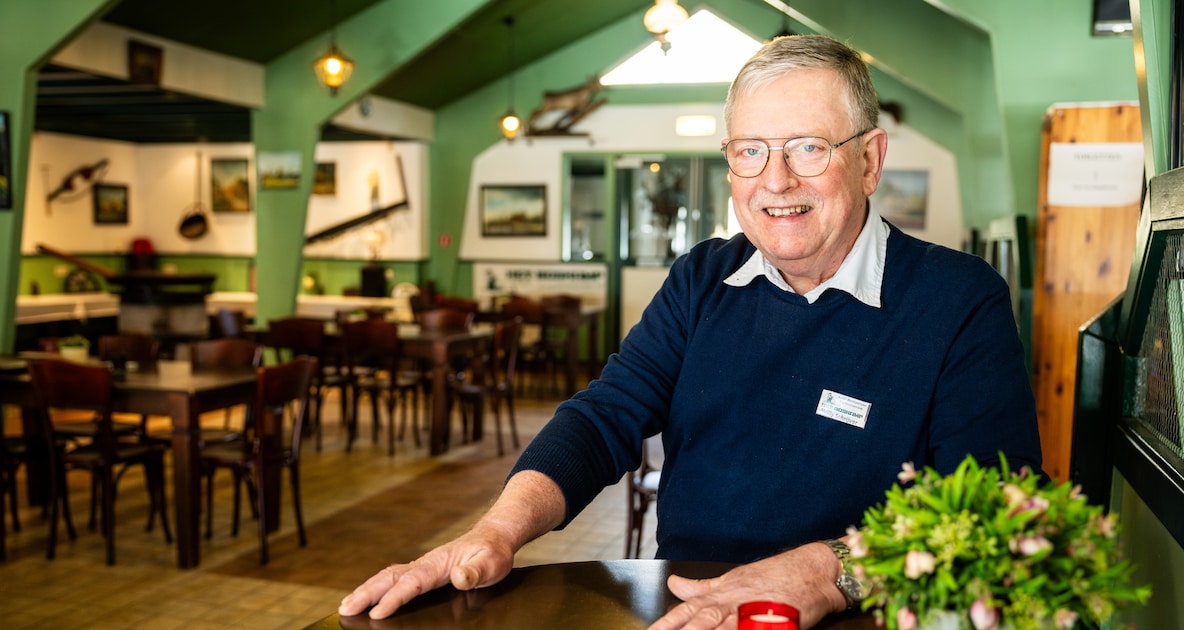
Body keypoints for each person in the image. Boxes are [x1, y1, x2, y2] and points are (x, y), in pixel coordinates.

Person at [339, 34, 1042, 629]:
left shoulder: (960, 301)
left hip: (864, 615)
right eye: (750, 152)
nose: (776, 180)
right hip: (690, 611)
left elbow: (994, 517)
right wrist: (496, 530)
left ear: (869, 159)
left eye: (808, 147)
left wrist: (830, 572)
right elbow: (605, 416)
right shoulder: (704, 278)